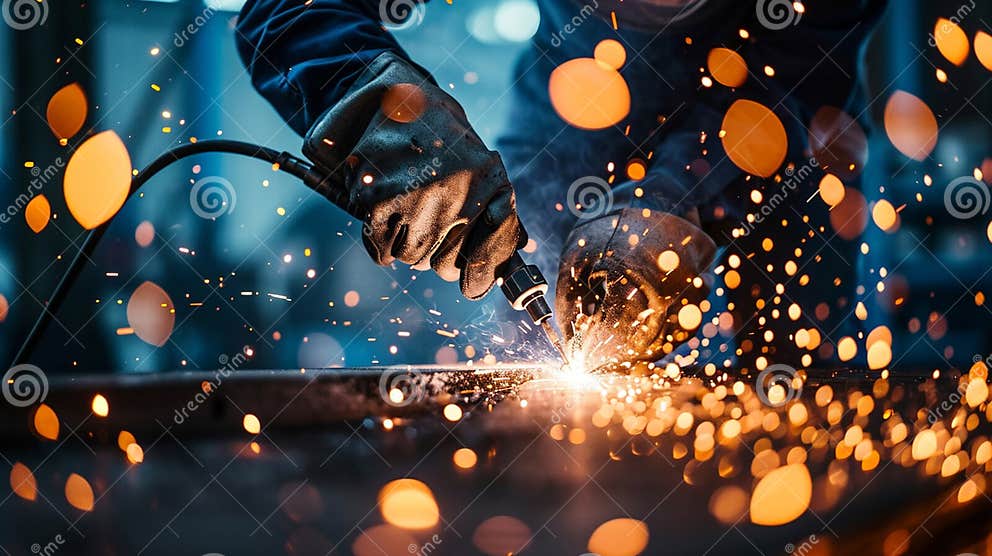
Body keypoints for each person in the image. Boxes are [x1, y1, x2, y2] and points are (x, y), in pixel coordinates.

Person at [235, 0, 888, 371]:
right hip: (571, 93)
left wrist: (670, 200)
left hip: (774, 125)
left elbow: (796, 82)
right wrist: (375, 109)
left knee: (796, 379)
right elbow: (286, 10)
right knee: (532, 328)